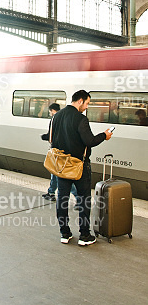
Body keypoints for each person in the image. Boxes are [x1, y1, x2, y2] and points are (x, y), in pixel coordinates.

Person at [51, 90, 112, 246]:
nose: (86, 107)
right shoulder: (80, 119)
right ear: (79, 101)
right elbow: (90, 141)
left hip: (62, 164)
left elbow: (52, 139)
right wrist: (104, 136)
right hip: (79, 166)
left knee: (62, 199)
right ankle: (85, 235)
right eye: (86, 103)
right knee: (84, 200)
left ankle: (64, 233)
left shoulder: (56, 116)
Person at [41, 103, 78, 203]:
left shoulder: (55, 118)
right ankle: (51, 192)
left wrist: (43, 137)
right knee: (55, 174)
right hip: (65, 151)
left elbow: (50, 137)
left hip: (57, 152)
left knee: (61, 177)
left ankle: (78, 198)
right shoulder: (66, 118)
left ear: (52, 110)